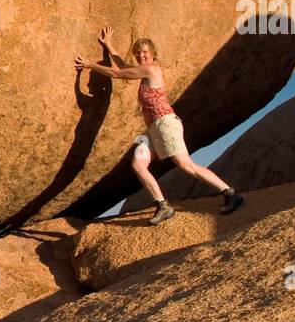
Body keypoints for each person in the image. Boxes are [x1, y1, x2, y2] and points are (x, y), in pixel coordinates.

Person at [74, 26, 244, 225]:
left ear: (153, 54)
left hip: (166, 124)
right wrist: (109, 45)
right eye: (138, 53)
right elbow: (123, 67)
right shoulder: (143, 71)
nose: (141, 55)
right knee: (138, 165)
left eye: (145, 52)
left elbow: (117, 73)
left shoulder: (152, 69)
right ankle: (163, 206)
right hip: (154, 129)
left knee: (186, 165)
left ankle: (230, 193)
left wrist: (88, 64)